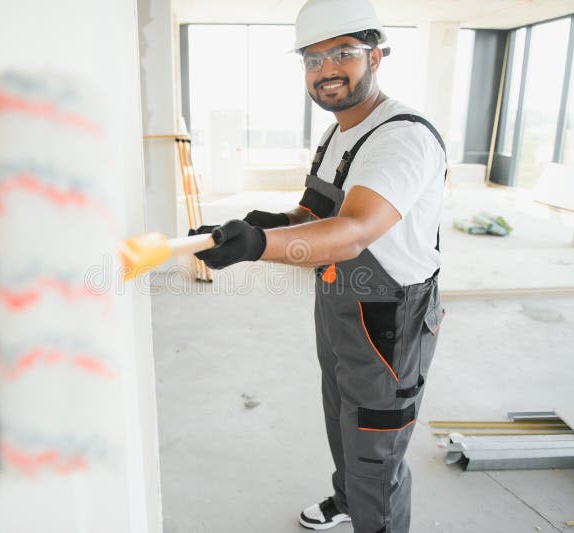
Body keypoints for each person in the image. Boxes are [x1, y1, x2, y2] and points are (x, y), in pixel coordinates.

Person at [190, 0, 446, 531]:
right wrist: (271, 221)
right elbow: (318, 212)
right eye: (312, 58)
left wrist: (259, 244)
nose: (326, 70)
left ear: (377, 55)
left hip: (388, 319)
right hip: (338, 304)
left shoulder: (401, 138)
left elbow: (351, 232)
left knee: (377, 444)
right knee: (342, 416)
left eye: (342, 53)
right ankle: (348, 498)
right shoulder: (338, 132)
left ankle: (374, 513)